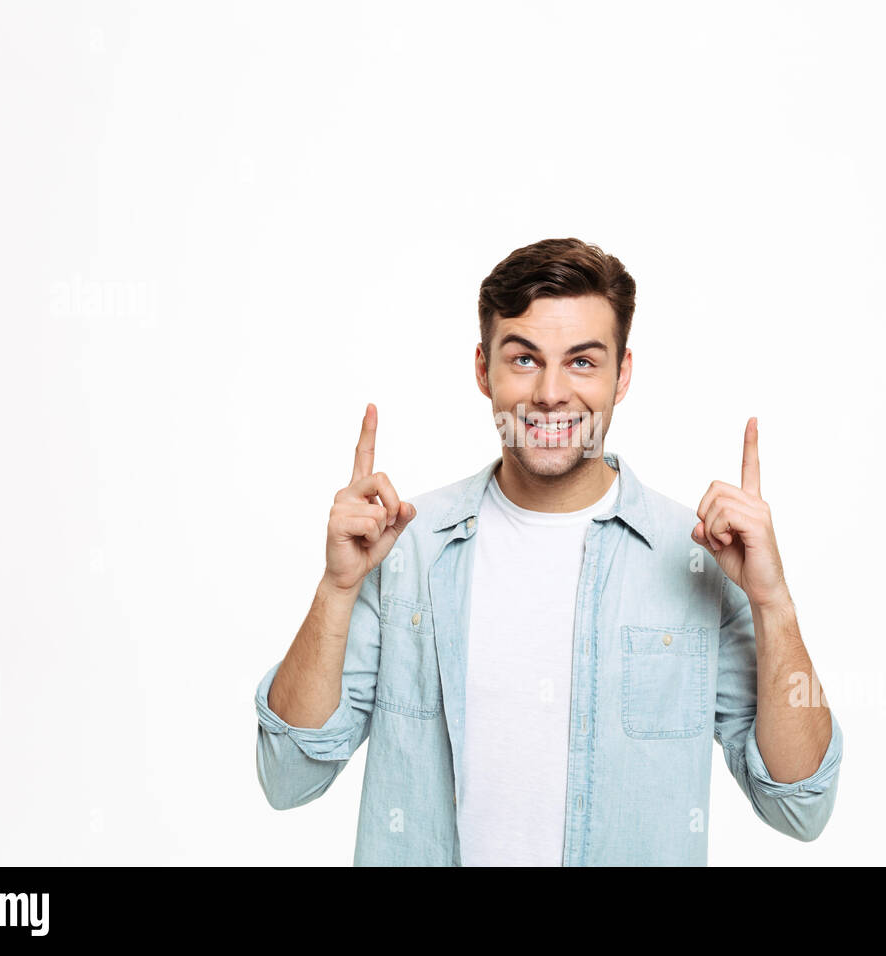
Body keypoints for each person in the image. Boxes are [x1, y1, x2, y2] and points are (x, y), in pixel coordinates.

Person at [254, 237, 843, 865]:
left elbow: (800, 802)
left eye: (583, 362)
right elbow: (288, 776)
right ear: (484, 370)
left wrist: (773, 603)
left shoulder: (701, 554)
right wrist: (336, 589)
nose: (552, 394)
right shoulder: (403, 548)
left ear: (623, 374)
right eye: (525, 359)